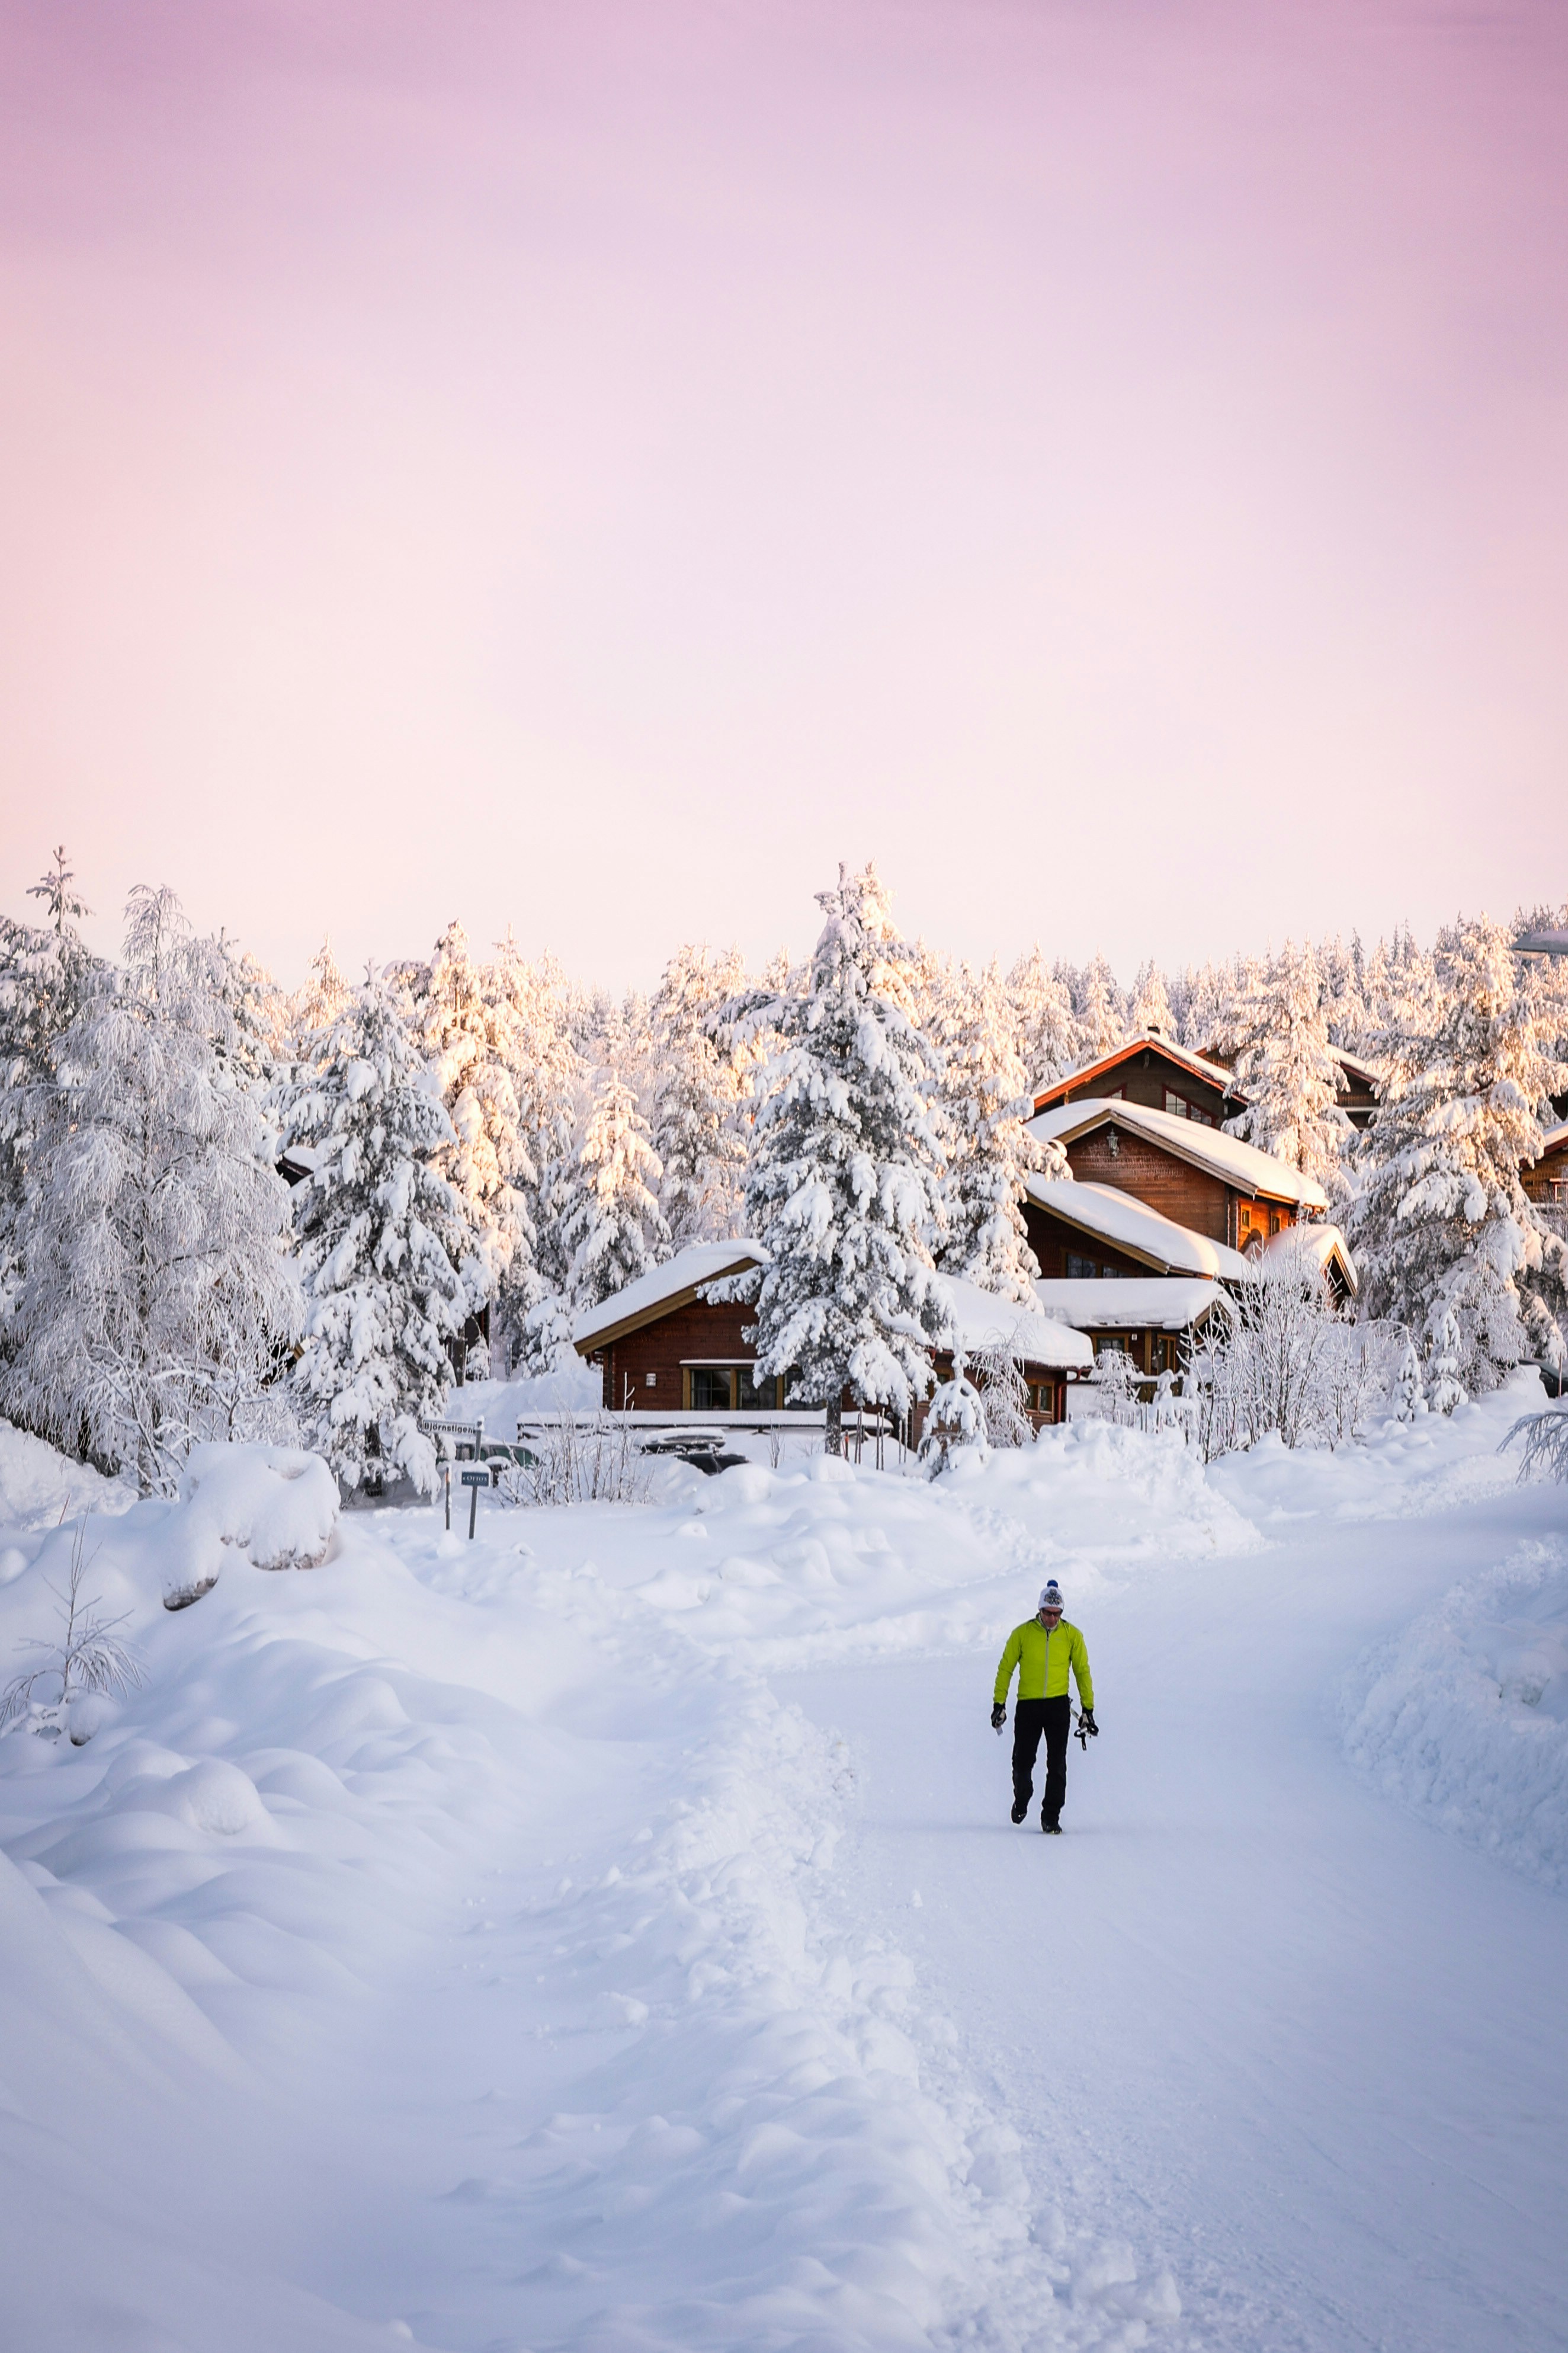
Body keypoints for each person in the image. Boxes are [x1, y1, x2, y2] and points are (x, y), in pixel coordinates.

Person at [991, 1579, 1096, 1833]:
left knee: (1057, 1764)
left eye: (1057, 1614)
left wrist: (1088, 1709)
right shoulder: (1022, 1634)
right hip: (1028, 1707)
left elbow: (1082, 1671)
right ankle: (1023, 1796)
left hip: (1058, 1708)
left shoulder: (1073, 1636)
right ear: (1039, 1610)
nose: (1052, 1618)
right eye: (1048, 1613)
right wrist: (999, 1703)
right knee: (1023, 1762)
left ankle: (1051, 1816)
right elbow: (1006, 1668)